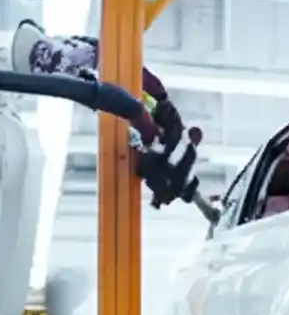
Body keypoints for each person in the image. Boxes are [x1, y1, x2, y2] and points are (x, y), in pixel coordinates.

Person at [10, 20, 202, 209]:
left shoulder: (77, 63)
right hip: (119, 89)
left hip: (123, 92)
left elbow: (139, 106)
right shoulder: (78, 62)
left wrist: (159, 113)